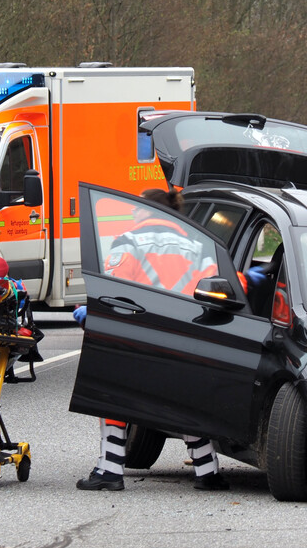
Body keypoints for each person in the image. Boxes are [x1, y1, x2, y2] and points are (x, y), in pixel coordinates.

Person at [76, 188, 232, 492]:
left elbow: (114, 290)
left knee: (115, 395)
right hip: (187, 336)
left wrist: (90, 313)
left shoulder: (130, 241)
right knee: (186, 401)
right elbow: (216, 290)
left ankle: (109, 470)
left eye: (136, 207)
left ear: (143, 209)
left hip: (143, 334)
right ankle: (207, 471)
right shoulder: (197, 246)